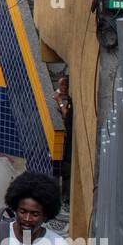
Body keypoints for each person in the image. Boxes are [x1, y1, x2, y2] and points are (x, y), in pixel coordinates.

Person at [53, 74, 73, 209]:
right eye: (61, 85)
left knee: (66, 171)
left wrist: (60, 101)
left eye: (64, 85)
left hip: (69, 140)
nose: (62, 88)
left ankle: (66, 198)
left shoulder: (67, 100)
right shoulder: (59, 97)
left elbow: (66, 114)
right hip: (64, 140)